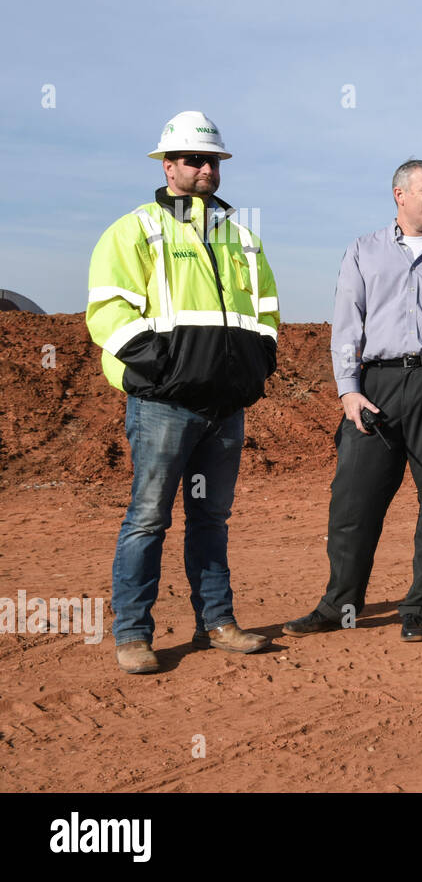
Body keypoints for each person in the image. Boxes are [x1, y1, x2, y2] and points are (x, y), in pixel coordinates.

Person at [86, 111, 280, 674]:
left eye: (212, 160)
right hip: (163, 406)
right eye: (194, 159)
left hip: (225, 407)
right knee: (148, 519)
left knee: (212, 520)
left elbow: (266, 314)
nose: (205, 168)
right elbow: (109, 312)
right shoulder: (137, 229)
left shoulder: (242, 239)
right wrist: (163, 372)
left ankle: (217, 622)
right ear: (168, 165)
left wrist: (255, 371)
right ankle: (132, 634)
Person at [283, 160, 422, 643]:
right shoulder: (363, 251)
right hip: (374, 387)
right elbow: (346, 324)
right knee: (352, 502)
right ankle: (340, 604)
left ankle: (419, 608)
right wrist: (348, 388)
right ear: (399, 194)